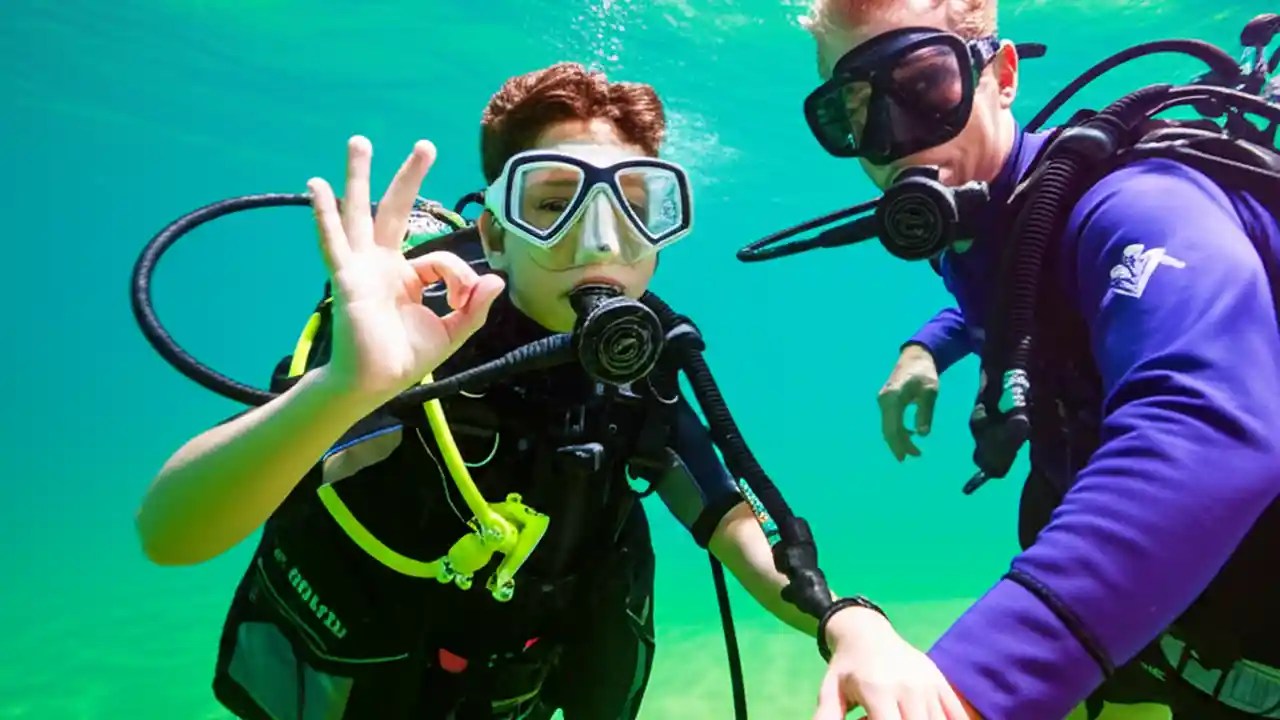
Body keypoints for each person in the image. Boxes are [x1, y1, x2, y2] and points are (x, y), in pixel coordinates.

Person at [134, 61, 964, 720]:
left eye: (639, 207)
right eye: (553, 203)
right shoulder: (409, 340)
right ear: (494, 231)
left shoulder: (644, 364)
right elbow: (167, 533)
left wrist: (851, 623)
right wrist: (344, 390)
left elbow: (729, 519)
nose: (600, 239)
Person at [784, 1, 1280, 719]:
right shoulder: (992, 209)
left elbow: (1206, 431)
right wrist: (927, 347)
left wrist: (970, 690)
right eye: (852, 109)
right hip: (1159, 620)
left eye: (925, 86)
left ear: (1002, 74)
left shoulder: (1141, 207)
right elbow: (1010, 282)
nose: (890, 140)